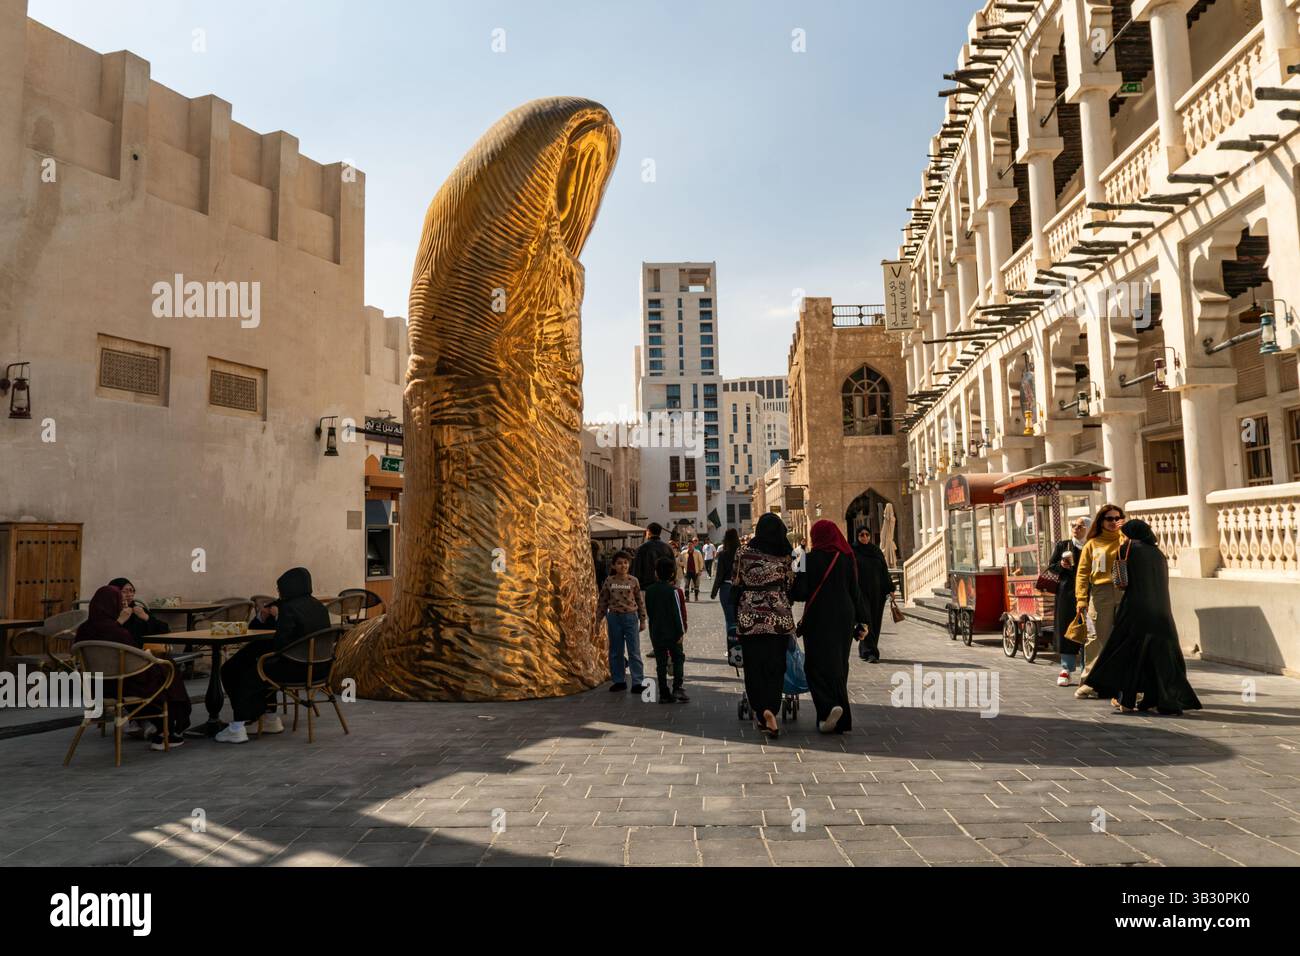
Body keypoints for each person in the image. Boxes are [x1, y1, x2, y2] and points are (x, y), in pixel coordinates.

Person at [1082, 520, 1202, 716]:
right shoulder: (1159, 554)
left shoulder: (1127, 548)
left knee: (1129, 655)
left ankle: (1126, 700)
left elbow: (1120, 581)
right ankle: (1156, 699)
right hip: (1162, 613)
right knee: (1158, 658)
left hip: (1135, 610)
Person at [216, 567, 330, 743]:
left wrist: (278, 617)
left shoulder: (288, 609)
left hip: (294, 669)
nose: (278, 592)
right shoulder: (319, 607)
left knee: (244, 671)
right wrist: (263, 616)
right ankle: (269, 718)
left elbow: (280, 644)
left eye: (280, 588)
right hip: (320, 668)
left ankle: (238, 726)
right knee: (261, 663)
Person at [74, 584, 191, 750]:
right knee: (167, 670)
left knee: (158, 673)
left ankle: (158, 728)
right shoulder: (117, 632)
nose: (124, 604)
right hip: (123, 685)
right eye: (120, 601)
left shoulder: (83, 629)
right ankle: (169, 730)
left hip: (97, 687)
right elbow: (133, 659)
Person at [792, 520, 869, 733]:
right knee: (838, 665)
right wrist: (863, 620)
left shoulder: (806, 558)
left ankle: (827, 710)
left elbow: (800, 592)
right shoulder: (846, 557)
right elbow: (856, 590)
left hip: (818, 617)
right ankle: (842, 719)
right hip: (844, 617)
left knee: (815, 666)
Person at [731, 512, 796, 737]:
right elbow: (790, 584)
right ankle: (771, 708)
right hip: (778, 615)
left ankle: (761, 710)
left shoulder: (743, 552)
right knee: (776, 665)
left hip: (750, 615)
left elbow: (736, 581)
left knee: (754, 664)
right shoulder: (785, 555)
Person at [1074, 503, 1125, 699]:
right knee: (1096, 639)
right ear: (1101, 521)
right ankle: (1089, 682)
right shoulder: (1092, 544)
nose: (1113, 522)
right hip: (1100, 593)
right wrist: (1081, 599)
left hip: (1123, 592)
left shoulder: (1125, 540)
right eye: (1109, 519)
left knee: (1123, 638)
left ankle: (1125, 684)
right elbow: (1082, 574)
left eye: (1117, 518)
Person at [595, 550, 648, 694]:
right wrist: (598, 620)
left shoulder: (633, 580)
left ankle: (637, 682)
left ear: (629, 564)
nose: (623, 565)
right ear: (613, 566)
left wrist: (642, 620)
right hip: (614, 618)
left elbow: (640, 601)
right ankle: (619, 681)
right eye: (619, 563)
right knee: (615, 651)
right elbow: (603, 601)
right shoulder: (609, 581)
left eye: (625, 562)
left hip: (631, 617)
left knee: (634, 651)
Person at [1046, 516, 1090, 686]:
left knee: (1089, 630)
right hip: (1066, 593)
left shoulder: (1091, 545)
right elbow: (1052, 567)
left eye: (1080, 526)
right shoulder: (1063, 545)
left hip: (1088, 592)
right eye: (1073, 525)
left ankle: (1087, 668)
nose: (1076, 528)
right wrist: (1061, 565)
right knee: (1067, 628)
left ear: (1088, 528)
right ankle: (1066, 668)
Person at [644, 557, 689, 704]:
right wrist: (681, 632)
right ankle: (677, 687)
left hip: (656, 632)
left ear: (656, 573)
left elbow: (649, 611)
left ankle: (663, 692)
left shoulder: (649, 591)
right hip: (673, 633)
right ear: (672, 574)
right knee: (678, 658)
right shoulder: (674, 591)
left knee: (661, 662)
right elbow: (677, 613)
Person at [851, 527, 895, 663]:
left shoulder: (876, 551)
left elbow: (884, 571)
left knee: (875, 622)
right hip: (861, 592)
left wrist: (890, 589)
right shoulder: (853, 551)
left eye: (867, 535)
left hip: (877, 593)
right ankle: (871, 652)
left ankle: (865, 649)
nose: (864, 537)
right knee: (866, 620)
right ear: (857, 536)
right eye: (861, 535)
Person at [107, 577, 172, 647]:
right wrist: (120, 620)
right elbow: (105, 636)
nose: (129, 595)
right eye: (124, 592)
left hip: (145, 653)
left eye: (131, 591)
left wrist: (146, 618)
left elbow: (165, 630)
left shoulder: (138, 611)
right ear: (114, 593)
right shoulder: (107, 611)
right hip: (121, 654)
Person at [710, 528, 742, 638]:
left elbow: (719, 575)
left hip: (726, 588)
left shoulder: (723, 554)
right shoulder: (743, 552)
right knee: (740, 617)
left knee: (729, 619)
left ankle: (732, 647)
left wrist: (714, 591)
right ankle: (742, 645)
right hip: (741, 588)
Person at [632, 522, 676, 590]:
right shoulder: (668, 548)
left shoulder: (641, 548)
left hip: (646, 587)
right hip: (665, 586)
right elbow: (673, 567)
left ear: (648, 532)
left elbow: (636, 570)